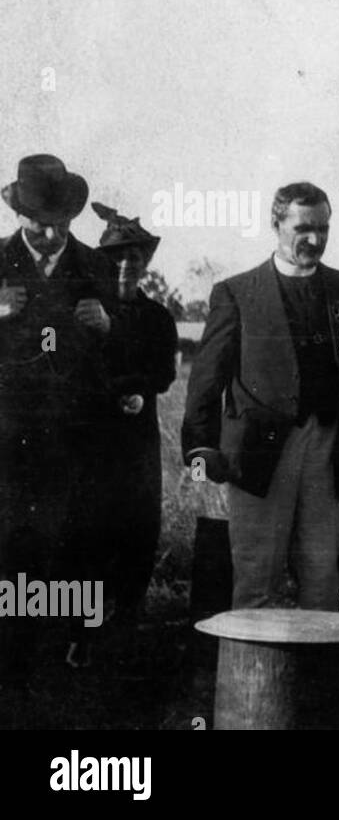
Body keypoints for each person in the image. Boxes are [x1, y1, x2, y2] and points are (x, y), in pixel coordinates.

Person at [181, 182, 339, 611]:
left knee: (324, 573)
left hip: (326, 450)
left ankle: (324, 675)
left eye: (323, 228)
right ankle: (251, 676)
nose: (315, 239)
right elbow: (206, 379)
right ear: (276, 224)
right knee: (256, 575)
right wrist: (201, 446)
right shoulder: (237, 292)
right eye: (303, 228)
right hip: (259, 453)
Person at [0, 154, 116, 687]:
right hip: (8, 436)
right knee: (13, 540)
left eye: (59, 223)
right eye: (37, 222)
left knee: (78, 538)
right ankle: (15, 653)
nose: (48, 234)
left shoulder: (96, 267)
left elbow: (135, 349)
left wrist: (109, 324)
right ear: (18, 214)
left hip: (78, 435)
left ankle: (76, 646)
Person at [87, 203, 178, 629]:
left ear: (145, 265)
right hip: (88, 439)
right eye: (116, 255)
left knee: (139, 528)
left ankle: (126, 623)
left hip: (138, 444)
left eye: (134, 257)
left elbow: (163, 374)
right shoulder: (84, 311)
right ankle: (80, 631)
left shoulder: (158, 318)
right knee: (88, 530)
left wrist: (138, 390)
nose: (125, 264)